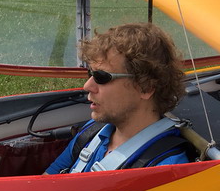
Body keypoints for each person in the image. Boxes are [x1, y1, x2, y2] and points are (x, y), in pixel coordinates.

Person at [44, 22, 189, 174]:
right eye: (90, 73)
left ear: (145, 87)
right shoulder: (93, 132)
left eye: (101, 76)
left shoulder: (165, 170)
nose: (87, 86)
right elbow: (47, 183)